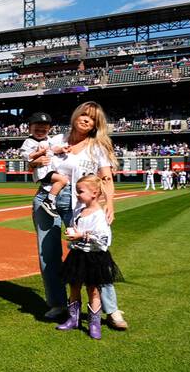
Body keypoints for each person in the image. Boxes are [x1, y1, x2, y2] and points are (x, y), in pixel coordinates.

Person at [28, 101, 128, 330]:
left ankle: (111, 310)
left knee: (94, 256)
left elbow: (106, 178)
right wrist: (36, 160)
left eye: (91, 118)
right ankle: (58, 304)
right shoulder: (55, 140)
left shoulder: (97, 147)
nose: (86, 119)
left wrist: (109, 202)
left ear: (95, 124)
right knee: (48, 256)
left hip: (78, 204)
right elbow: (33, 162)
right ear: (75, 115)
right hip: (47, 199)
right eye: (83, 114)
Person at [55, 174, 123, 340]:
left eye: (80, 191)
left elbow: (104, 240)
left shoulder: (100, 214)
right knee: (74, 286)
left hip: (94, 257)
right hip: (78, 255)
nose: (77, 195)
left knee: (93, 290)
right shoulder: (79, 209)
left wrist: (81, 235)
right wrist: (72, 233)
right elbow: (76, 227)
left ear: (94, 193)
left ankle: (94, 323)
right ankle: (73, 319)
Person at [20, 111, 73, 222]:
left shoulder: (49, 140)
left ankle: (50, 199)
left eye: (44, 130)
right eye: (37, 130)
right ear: (29, 128)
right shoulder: (28, 141)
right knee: (63, 180)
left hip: (49, 170)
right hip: (42, 172)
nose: (40, 132)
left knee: (62, 180)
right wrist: (39, 153)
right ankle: (49, 200)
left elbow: (54, 149)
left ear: (49, 129)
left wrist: (62, 149)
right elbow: (26, 156)